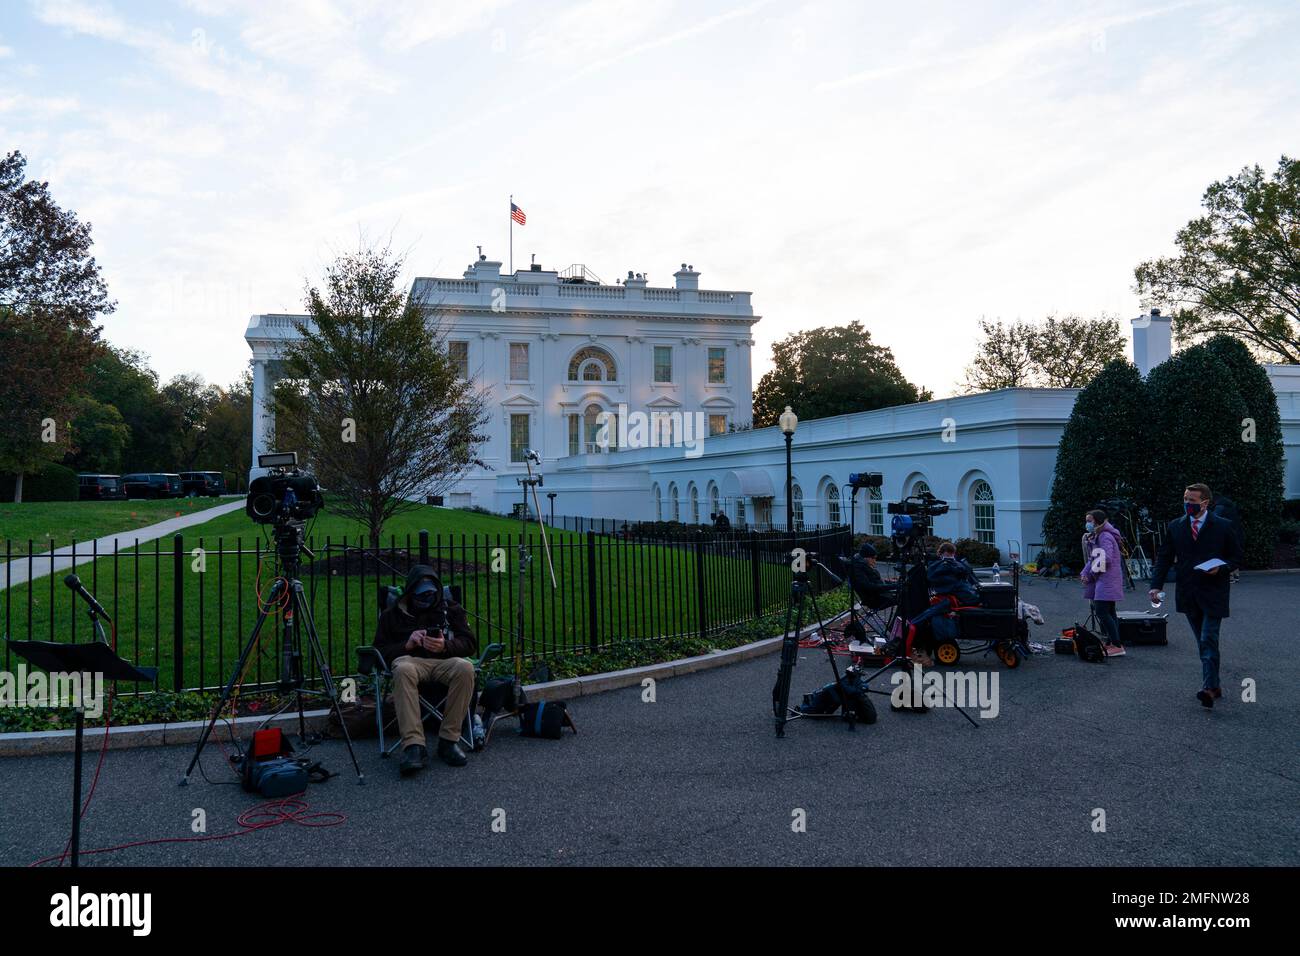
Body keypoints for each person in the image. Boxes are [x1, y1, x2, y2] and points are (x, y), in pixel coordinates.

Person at [372, 565, 478, 775]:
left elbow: (470, 643)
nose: (426, 599)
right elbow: (378, 652)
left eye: (430, 594)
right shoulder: (391, 615)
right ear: (410, 593)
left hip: (444, 661)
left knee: (465, 667)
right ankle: (414, 746)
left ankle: (448, 741)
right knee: (403, 670)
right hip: (410, 661)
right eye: (421, 595)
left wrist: (445, 646)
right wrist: (407, 645)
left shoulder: (451, 609)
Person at [1149, 483, 1244, 709]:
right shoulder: (1176, 526)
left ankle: (1208, 688)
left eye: (1192, 500)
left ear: (1205, 503)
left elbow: (1236, 556)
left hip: (1214, 592)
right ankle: (1215, 684)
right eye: (1185, 499)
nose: (1187, 504)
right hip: (1188, 592)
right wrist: (1155, 586)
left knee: (1207, 639)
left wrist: (1221, 569)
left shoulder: (1222, 526)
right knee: (1204, 644)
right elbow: (1164, 558)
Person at [1080, 509, 1126, 656]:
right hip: (1105, 579)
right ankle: (1113, 642)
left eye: (1089, 521)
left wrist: (1091, 573)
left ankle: (1116, 645)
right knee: (1110, 612)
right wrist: (1085, 572)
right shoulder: (1098, 535)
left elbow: (1105, 559)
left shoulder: (1104, 536)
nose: (1087, 524)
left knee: (1101, 611)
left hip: (1107, 580)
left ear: (1098, 521)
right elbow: (1093, 559)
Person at [848, 542, 897, 611]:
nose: (875, 561)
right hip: (874, 599)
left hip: (879, 594)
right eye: (873, 558)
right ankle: (904, 621)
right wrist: (892, 586)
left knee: (903, 593)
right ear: (866, 557)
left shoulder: (863, 565)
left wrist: (891, 584)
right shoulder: (858, 567)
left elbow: (876, 581)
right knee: (904, 597)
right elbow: (869, 586)